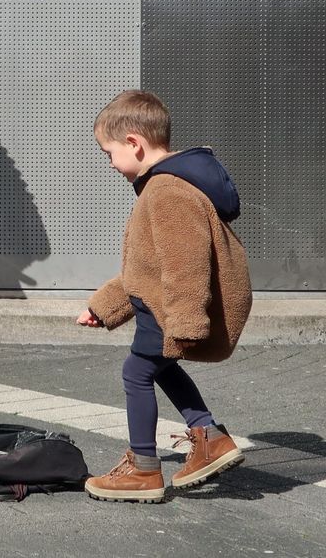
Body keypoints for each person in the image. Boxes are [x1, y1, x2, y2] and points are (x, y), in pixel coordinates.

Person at [78, 90, 252, 502]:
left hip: (170, 309)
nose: (110, 163)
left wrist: (187, 321)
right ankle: (208, 435)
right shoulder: (165, 186)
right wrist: (103, 308)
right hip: (161, 306)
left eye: (109, 153)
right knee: (161, 368)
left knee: (136, 373)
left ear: (134, 143)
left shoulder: (166, 191)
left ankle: (143, 469)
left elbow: (185, 263)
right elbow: (145, 270)